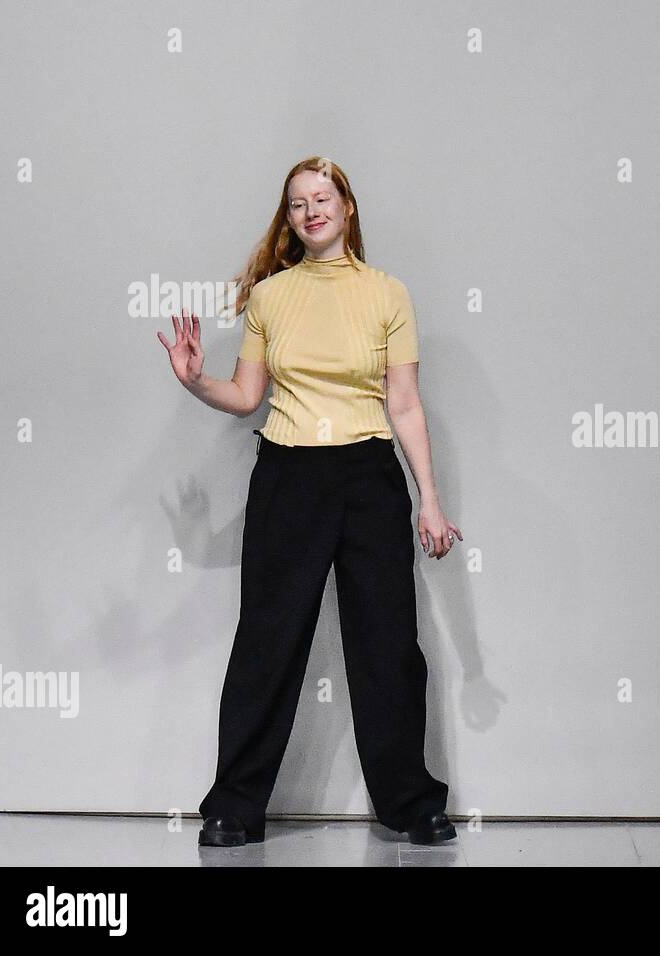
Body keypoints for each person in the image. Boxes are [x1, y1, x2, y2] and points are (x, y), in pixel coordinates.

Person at [157, 156, 462, 847]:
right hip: (289, 479)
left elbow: (405, 405)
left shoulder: (388, 294)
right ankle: (233, 808)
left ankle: (412, 803)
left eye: (322, 197)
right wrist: (195, 380)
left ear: (347, 207)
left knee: (388, 646)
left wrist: (429, 501)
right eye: (297, 203)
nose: (310, 210)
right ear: (289, 219)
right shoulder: (271, 298)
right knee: (267, 644)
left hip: (368, 476)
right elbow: (245, 397)